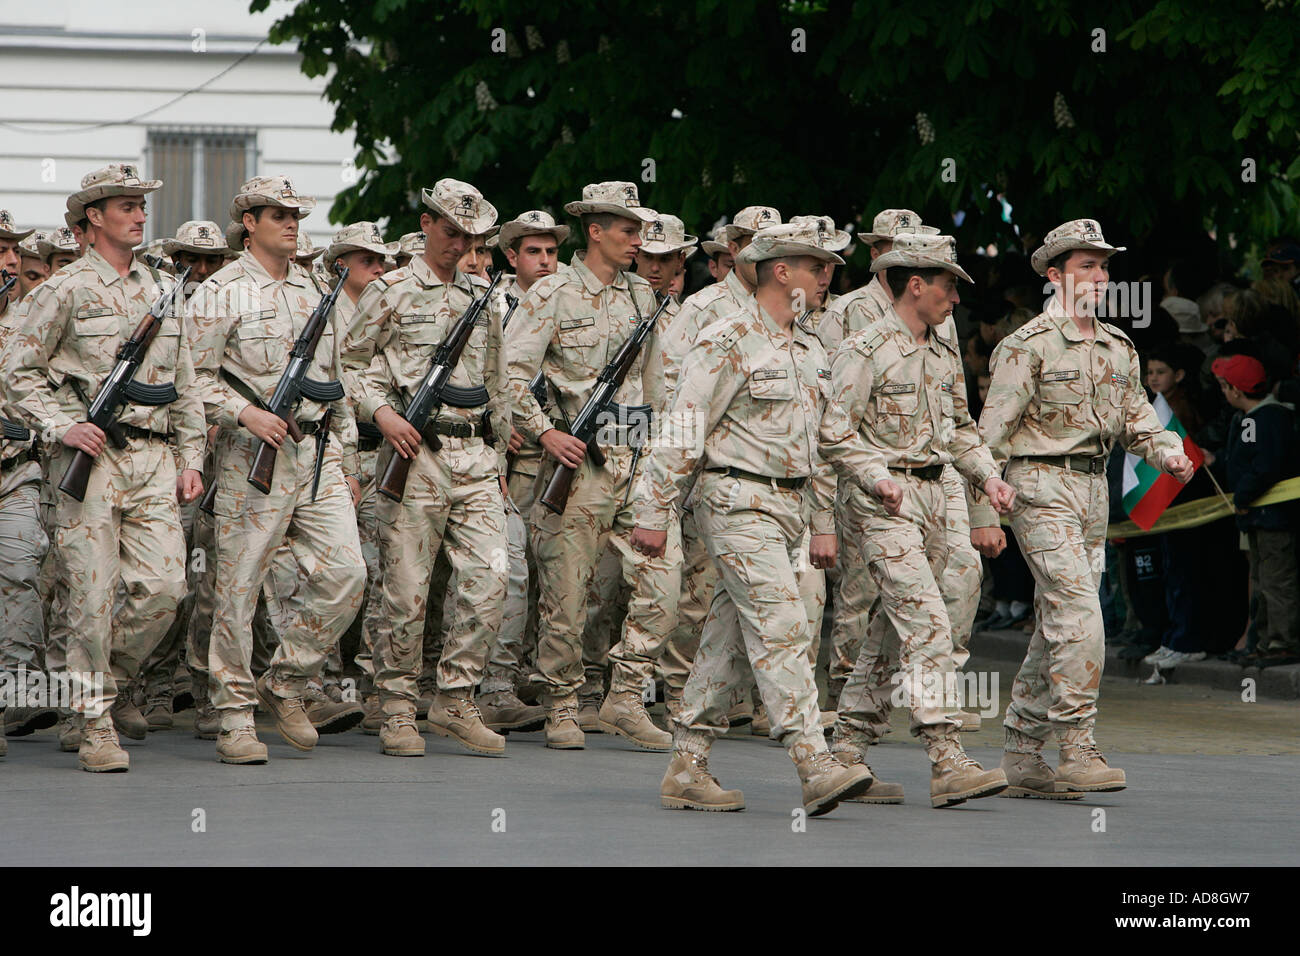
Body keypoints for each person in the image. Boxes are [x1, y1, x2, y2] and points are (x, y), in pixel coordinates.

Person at [632, 220, 872, 815]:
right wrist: (653, 511)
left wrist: (828, 514)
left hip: (789, 507)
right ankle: (813, 760)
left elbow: (820, 446)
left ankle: (687, 763)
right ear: (781, 271)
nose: (828, 277)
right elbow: (684, 428)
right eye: (818, 266)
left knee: (732, 639)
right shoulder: (728, 337)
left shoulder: (812, 348)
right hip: (736, 500)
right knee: (784, 623)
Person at [975, 218, 1194, 795]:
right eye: (1085, 266)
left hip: (1093, 488)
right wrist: (979, 511)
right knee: (1079, 613)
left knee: (1058, 621)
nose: (1098, 276)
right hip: (1038, 484)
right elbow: (988, 437)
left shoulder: (1118, 347)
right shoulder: (1026, 347)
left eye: (1102, 266)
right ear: (1055, 275)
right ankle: (1076, 745)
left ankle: (1023, 751)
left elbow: (1138, 419)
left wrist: (1169, 451)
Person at [4, 164, 206, 772]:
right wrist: (58, 424)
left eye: (142, 206)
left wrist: (191, 457)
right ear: (94, 217)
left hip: (152, 458)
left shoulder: (161, 289)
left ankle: (94, 682)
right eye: (126, 206)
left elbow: (186, 381)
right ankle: (94, 722)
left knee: (166, 590)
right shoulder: (62, 289)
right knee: (90, 598)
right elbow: (16, 370)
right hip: (89, 463)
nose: (140, 216)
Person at [820, 232, 1019, 808]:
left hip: (943, 495)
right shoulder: (865, 348)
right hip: (885, 500)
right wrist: (873, 475)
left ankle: (848, 752)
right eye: (949, 287)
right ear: (916, 285)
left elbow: (959, 426)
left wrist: (987, 477)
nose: (955, 299)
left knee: (909, 625)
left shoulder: (940, 347)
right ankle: (945, 755)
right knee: (925, 621)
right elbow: (834, 431)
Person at [187, 175, 366, 764]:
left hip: (316, 456)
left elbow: (334, 382)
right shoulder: (221, 291)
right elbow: (191, 380)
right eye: (277, 214)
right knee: (237, 590)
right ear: (249, 222)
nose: (291, 223)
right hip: (250, 457)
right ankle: (235, 715)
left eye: (295, 214)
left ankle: (286, 682)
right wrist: (244, 413)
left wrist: (346, 456)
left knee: (348, 575)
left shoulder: (315, 290)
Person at [505, 181, 680, 751]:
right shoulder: (552, 294)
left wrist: (663, 456)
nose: (639, 240)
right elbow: (507, 376)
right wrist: (546, 432)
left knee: (664, 581)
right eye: (628, 230)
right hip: (580, 464)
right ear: (596, 231)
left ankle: (626, 694)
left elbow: (662, 386)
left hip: (639, 462)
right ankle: (561, 702)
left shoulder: (644, 299)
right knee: (567, 594)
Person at [343, 179, 512, 758]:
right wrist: (383, 414)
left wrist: (502, 452)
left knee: (492, 579)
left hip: (477, 455)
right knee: (407, 590)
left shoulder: (482, 297)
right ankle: (395, 708)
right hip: (415, 455)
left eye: (469, 235)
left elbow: (498, 382)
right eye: (449, 230)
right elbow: (351, 364)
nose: (458, 243)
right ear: (425, 224)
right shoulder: (389, 290)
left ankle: (456, 696)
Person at [129, 220, 240, 730]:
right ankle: (142, 685)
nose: (200, 270)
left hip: (216, 464)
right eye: (189, 260)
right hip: (150, 462)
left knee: (203, 581)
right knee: (149, 580)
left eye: (212, 260)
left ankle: (199, 688)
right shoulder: (157, 305)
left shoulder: (231, 304)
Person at [318, 222, 397, 730]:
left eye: (383, 262)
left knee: (379, 570)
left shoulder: (391, 308)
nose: (380, 270)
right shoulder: (322, 312)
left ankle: (370, 682)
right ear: (341, 264)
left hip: (381, 453)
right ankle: (321, 681)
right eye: (369, 261)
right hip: (336, 456)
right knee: (331, 570)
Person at [1213, 349, 1300, 667]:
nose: (1223, 394)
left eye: (1224, 387)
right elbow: (1246, 461)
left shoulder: (1269, 418)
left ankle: (1283, 641)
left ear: (1236, 390)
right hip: (1260, 518)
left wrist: (1243, 496)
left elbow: (1264, 467)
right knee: (1262, 579)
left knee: (1278, 580)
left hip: (1274, 517)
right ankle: (1263, 639)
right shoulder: (1250, 420)